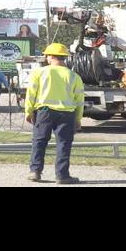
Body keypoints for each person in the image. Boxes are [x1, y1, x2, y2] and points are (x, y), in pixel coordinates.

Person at [25, 43, 85, 185]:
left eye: (46, 55)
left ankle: (35, 172)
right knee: (64, 144)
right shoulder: (74, 76)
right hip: (67, 114)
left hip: (44, 112)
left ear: (50, 56)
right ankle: (62, 176)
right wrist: (78, 118)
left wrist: (28, 111)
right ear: (64, 57)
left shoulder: (39, 73)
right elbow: (80, 100)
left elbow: (31, 94)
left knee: (39, 141)